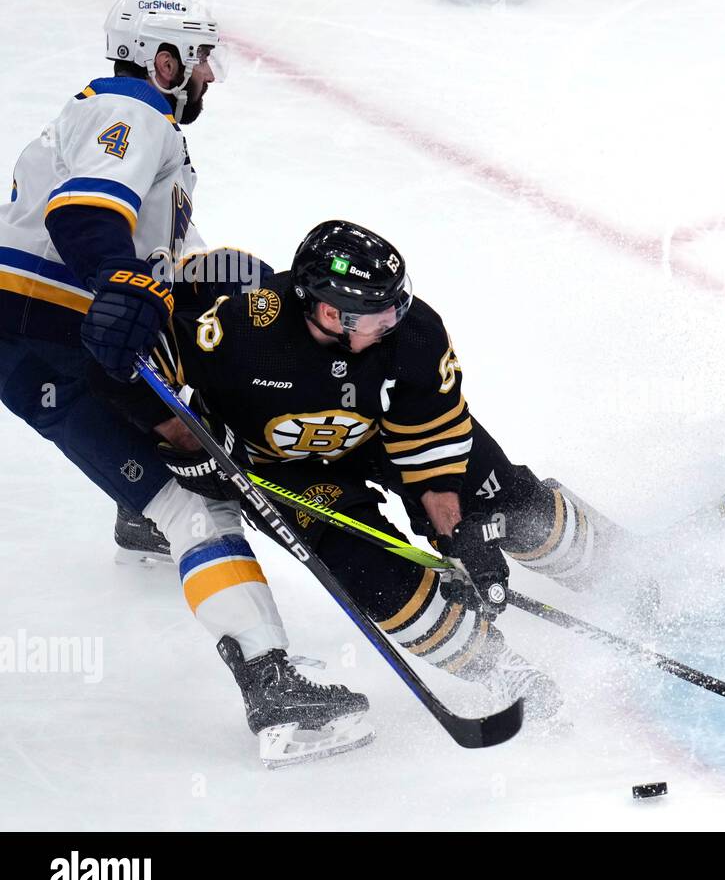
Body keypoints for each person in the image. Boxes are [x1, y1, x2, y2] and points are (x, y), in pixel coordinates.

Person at [0, 0, 369, 765]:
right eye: (198, 58)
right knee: (201, 510)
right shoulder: (133, 110)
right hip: (65, 334)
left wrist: (216, 277)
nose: (207, 74)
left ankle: (139, 515)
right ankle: (278, 698)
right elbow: (85, 217)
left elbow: (160, 251)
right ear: (162, 59)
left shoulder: (130, 124)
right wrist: (122, 281)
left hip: (26, 342)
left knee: (164, 492)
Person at [105, 220, 623, 722]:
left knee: (505, 501)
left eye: (395, 303)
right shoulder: (243, 329)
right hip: (285, 471)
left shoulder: (415, 335)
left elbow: (435, 448)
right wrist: (182, 440)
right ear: (330, 313)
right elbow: (132, 365)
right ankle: (500, 669)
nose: (395, 318)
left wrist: (458, 535)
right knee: (375, 574)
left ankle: (623, 569)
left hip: (385, 436)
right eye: (379, 313)